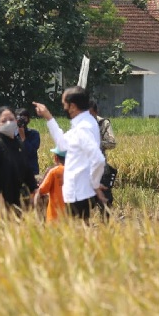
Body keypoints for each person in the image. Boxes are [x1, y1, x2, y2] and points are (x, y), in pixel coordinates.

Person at [32, 86, 105, 222]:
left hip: (78, 193)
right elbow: (63, 144)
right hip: (77, 192)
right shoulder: (85, 124)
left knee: (75, 235)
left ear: (72, 106)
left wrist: (94, 184)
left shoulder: (83, 128)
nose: (64, 107)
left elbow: (98, 159)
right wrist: (48, 116)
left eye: (64, 104)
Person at [0, 107, 38, 216]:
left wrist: (34, 190)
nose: (9, 123)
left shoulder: (19, 145)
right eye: (4, 121)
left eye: (11, 119)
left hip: (13, 199)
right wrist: (0, 202)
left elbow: (27, 170)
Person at [89, 99, 118, 209]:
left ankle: (106, 224)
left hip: (100, 167)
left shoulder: (103, 123)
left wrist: (97, 143)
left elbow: (112, 143)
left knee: (105, 201)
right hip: (84, 168)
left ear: (95, 112)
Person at [33, 147, 67, 222]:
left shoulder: (53, 172)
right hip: (70, 218)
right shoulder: (74, 172)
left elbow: (41, 190)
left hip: (53, 217)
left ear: (56, 158)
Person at [15, 108, 41, 176]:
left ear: (29, 120)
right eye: (19, 118)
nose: (21, 121)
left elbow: (31, 152)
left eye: (24, 118)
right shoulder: (11, 135)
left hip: (31, 171)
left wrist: (23, 138)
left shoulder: (34, 134)